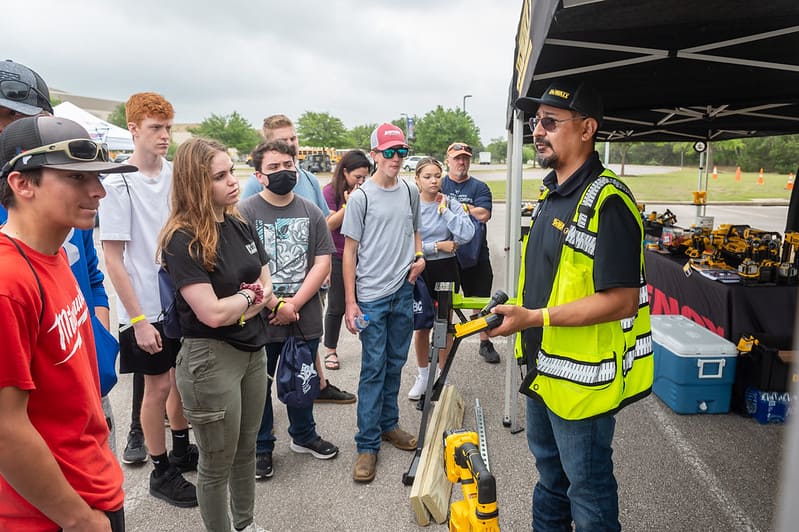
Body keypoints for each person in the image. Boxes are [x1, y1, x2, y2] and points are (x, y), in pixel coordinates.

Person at [488, 79, 654, 531]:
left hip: (582, 384)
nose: (537, 130)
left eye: (549, 122)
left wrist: (535, 317)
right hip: (543, 368)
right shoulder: (551, 193)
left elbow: (621, 301)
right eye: (534, 122)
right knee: (550, 480)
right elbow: (548, 280)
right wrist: (514, 314)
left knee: (588, 487)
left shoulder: (609, 201)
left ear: (587, 130)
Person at [0, 115, 133, 531]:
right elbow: (5, 428)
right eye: (76, 177)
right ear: (23, 184)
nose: (98, 191)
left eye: (97, 177)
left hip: (93, 486)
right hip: (53, 515)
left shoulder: (56, 252)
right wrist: (79, 521)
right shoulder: (8, 283)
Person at [0, 60, 120, 452]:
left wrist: (97, 347)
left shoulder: (65, 205)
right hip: (32, 415)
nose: (11, 129)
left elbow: (92, 277)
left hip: (89, 389)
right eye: (4, 117)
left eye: (25, 119)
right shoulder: (25, 206)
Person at [159, 138, 272, 532]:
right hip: (211, 360)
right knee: (216, 461)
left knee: (246, 450)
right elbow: (211, 314)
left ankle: (245, 524)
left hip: (252, 352)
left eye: (231, 172)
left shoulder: (238, 221)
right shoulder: (182, 239)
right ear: (194, 183)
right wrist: (248, 298)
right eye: (219, 177)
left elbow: (266, 283)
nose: (232, 182)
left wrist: (241, 304)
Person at [99, 92, 198, 508]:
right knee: (155, 387)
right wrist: (137, 318)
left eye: (168, 127)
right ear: (134, 129)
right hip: (144, 304)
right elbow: (113, 258)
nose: (164, 136)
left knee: (178, 380)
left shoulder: (176, 174)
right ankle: (161, 471)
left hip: (179, 298)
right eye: (155, 128)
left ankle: (180, 447)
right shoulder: (118, 181)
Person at [239, 139, 339, 482]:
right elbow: (243, 266)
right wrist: (274, 304)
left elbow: (322, 262)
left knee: (302, 379)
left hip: (303, 316)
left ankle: (304, 435)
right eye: (274, 168)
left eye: (288, 165)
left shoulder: (311, 212)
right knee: (259, 387)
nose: (283, 172)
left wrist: (293, 304)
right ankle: (262, 446)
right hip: (260, 317)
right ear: (259, 176)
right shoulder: (245, 213)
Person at [241, 114, 354, 405]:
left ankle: (313, 403)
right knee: (262, 380)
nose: (289, 146)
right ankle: (262, 439)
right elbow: (246, 260)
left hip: (305, 294)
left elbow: (323, 224)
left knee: (301, 364)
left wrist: (296, 302)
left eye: (292, 140)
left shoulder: (308, 180)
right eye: (282, 141)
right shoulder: (249, 203)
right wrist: (276, 304)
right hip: (265, 302)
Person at [341, 123, 424, 483]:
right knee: (372, 369)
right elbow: (349, 252)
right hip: (372, 298)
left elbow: (416, 230)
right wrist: (350, 302)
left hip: (403, 293)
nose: (395, 158)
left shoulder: (409, 191)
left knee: (394, 364)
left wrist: (419, 256)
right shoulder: (361, 197)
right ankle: (367, 444)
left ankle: (388, 425)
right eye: (388, 152)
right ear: (374, 155)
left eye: (401, 151)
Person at [408, 157, 474, 400]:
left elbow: (467, 234)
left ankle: (442, 376)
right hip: (421, 268)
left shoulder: (451, 203)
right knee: (422, 325)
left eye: (437, 175)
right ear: (417, 179)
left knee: (444, 324)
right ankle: (423, 375)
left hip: (446, 269)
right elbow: (405, 243)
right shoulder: (410, 206)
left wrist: (445, 211)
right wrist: (437, 246)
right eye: (427, 176)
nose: (433, 180)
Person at [440, 141, 500, 363]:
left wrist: (458, 207)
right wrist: (469, 210)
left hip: (476, 255)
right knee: (444, 303)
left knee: (480, 301)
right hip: (446, 256)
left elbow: (484, 214)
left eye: (465, 158)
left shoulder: (479, 187)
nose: (461, 162)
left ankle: (484, 342)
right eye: (457, 158)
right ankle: (442, 344)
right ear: (448, 160)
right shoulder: (440, 183)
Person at [321, 150, 371, 371]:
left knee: (366, 303)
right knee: (337, 305)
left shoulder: (368, 191)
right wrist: (348, 205)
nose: (361, 182)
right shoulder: (330, 192)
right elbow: (328, 224)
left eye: (365, 177)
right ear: (345, 172)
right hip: (339, 255)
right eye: (357, 177)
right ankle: (330, 350)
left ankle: (368, 346)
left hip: (365, 257)